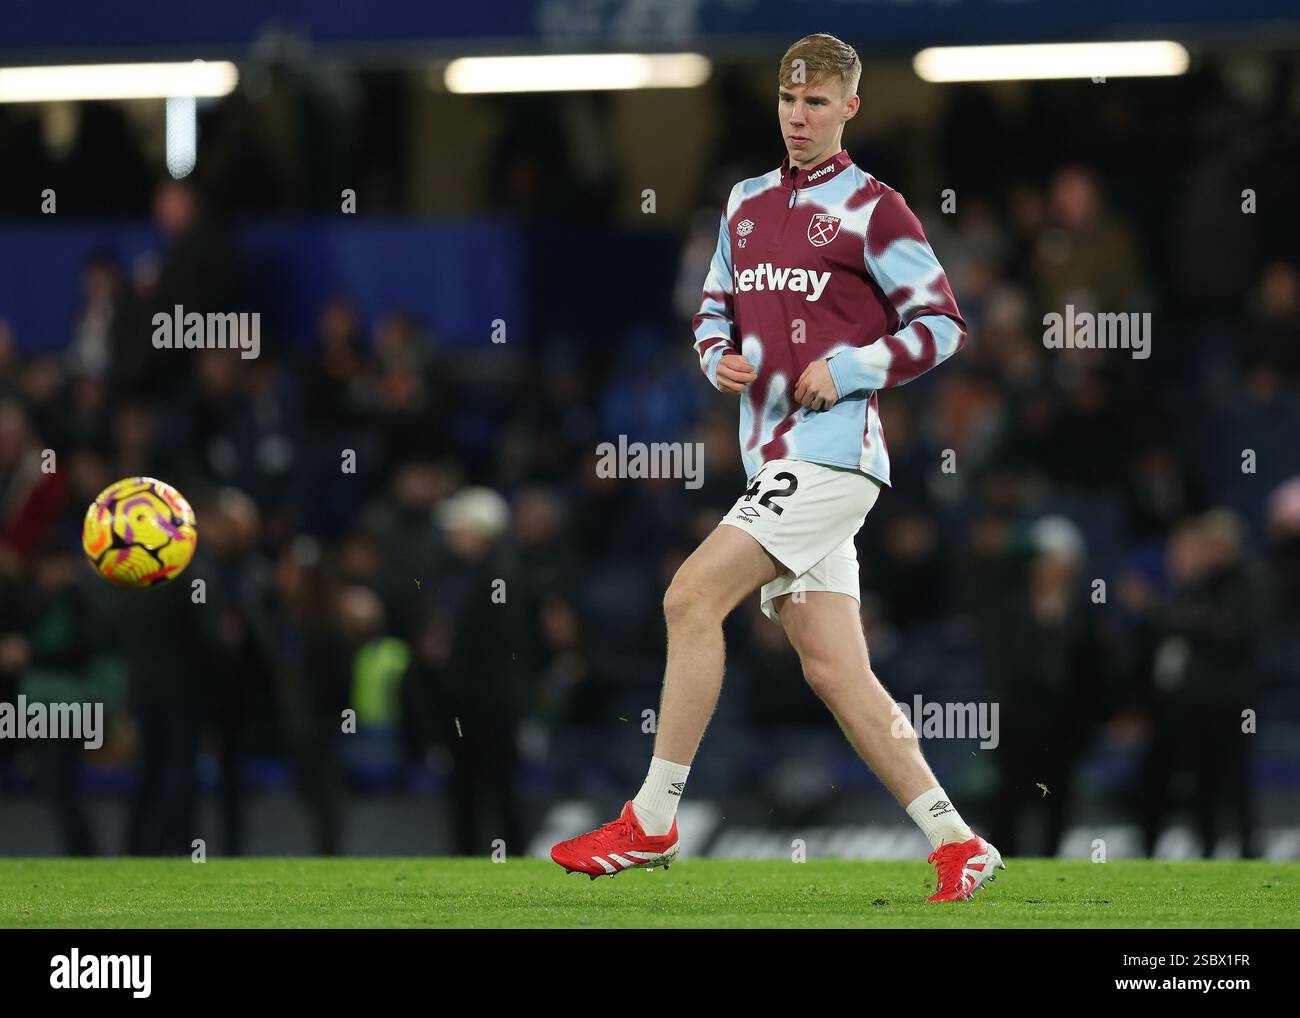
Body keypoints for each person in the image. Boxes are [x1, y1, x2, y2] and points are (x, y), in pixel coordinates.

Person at [552, 33, 1001, 902]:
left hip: (831, 456)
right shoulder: (745, 201)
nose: (800, 118)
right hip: (773, 460)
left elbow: (943, 324)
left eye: (818, 104)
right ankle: (958, 842)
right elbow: (713, 302)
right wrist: (714, 349)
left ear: (850, 109)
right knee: (835, 668)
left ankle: (651, 818)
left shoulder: (877, 207)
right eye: (790, 102)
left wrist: (855, 366)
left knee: (689, 597)